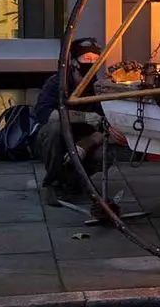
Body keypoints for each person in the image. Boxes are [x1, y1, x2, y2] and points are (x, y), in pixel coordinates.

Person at [32, 38, 108, 207]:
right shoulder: (57, 83)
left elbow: (105, 125)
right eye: (86, 58)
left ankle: (75, 179)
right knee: (54, 129)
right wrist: (82, 117)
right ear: (74, 62)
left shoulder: (98, 87)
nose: (91, 63)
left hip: (82, 139)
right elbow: (44, 114)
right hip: (57, 139)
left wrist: (85, 145)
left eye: (95, 59)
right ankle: (53, 183)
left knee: (106, 149)